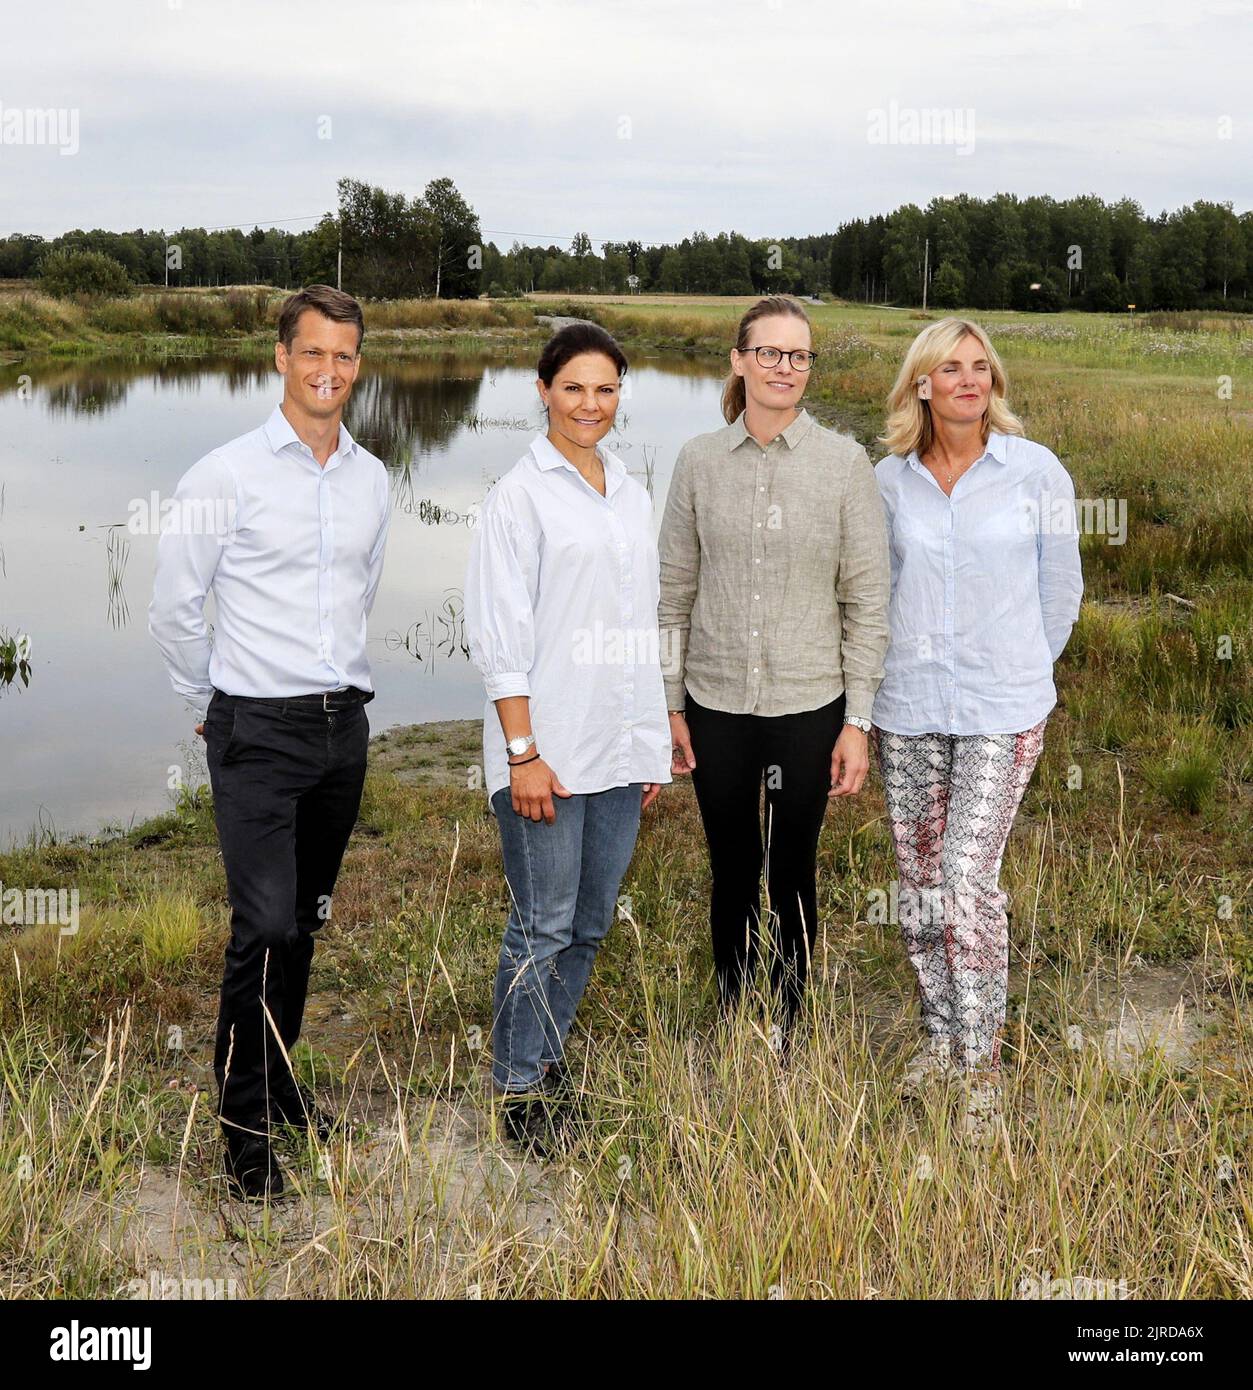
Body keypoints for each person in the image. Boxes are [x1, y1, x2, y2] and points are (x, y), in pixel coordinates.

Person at [149, 285, 390, 1198]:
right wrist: (210, 704)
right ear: (280, 358)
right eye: (312, 353)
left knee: (307, 925)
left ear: (357, 366)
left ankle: (281, 1082)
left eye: (345, 356)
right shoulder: (226, 474)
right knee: (264, 924)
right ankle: (243, 1130)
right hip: (253, 728)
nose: (329, 371)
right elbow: (175, 608)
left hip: (343, 729)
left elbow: (361, 592)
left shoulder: (370, 477)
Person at [870, 316, 1083, 1139]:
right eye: (949, 368)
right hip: (908, 708)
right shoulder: (886, 482)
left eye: (979, 367)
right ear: (920, 384)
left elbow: (1058, 588)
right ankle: (940, 1035)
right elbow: (871, 595)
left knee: (965, 879)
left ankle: (981, 1071)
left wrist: (1022, 668)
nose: (968, 380)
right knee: (920, 886)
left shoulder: (1035, 473)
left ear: (993, 382)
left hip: (1001, 707)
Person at [658, 296, 890, 1046]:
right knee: (730, 866)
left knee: (791, 868)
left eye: (797, 355)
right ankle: (731, 1011)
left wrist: (857, 722)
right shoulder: (697, 462)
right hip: (716, 703)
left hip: (808, 706)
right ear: (738, 360)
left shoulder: (844, 464)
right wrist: (669, 705)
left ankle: (789, 1020)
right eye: (768, 353)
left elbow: (866, 602)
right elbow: (671, 595)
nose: (783, 367)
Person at [464, 322, 670, 1155]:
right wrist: (523, 755)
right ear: (543, 391)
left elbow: (637, 621)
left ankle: (546, 1066)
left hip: (616, 749)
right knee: (540, 925)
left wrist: (646, 739)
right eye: (575, 387)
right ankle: (516, 1092)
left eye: (607, 389)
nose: (591, 404)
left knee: (588, 924)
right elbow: (497, 636)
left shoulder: (626, 486)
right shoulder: (519, 495)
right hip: (544, 750)